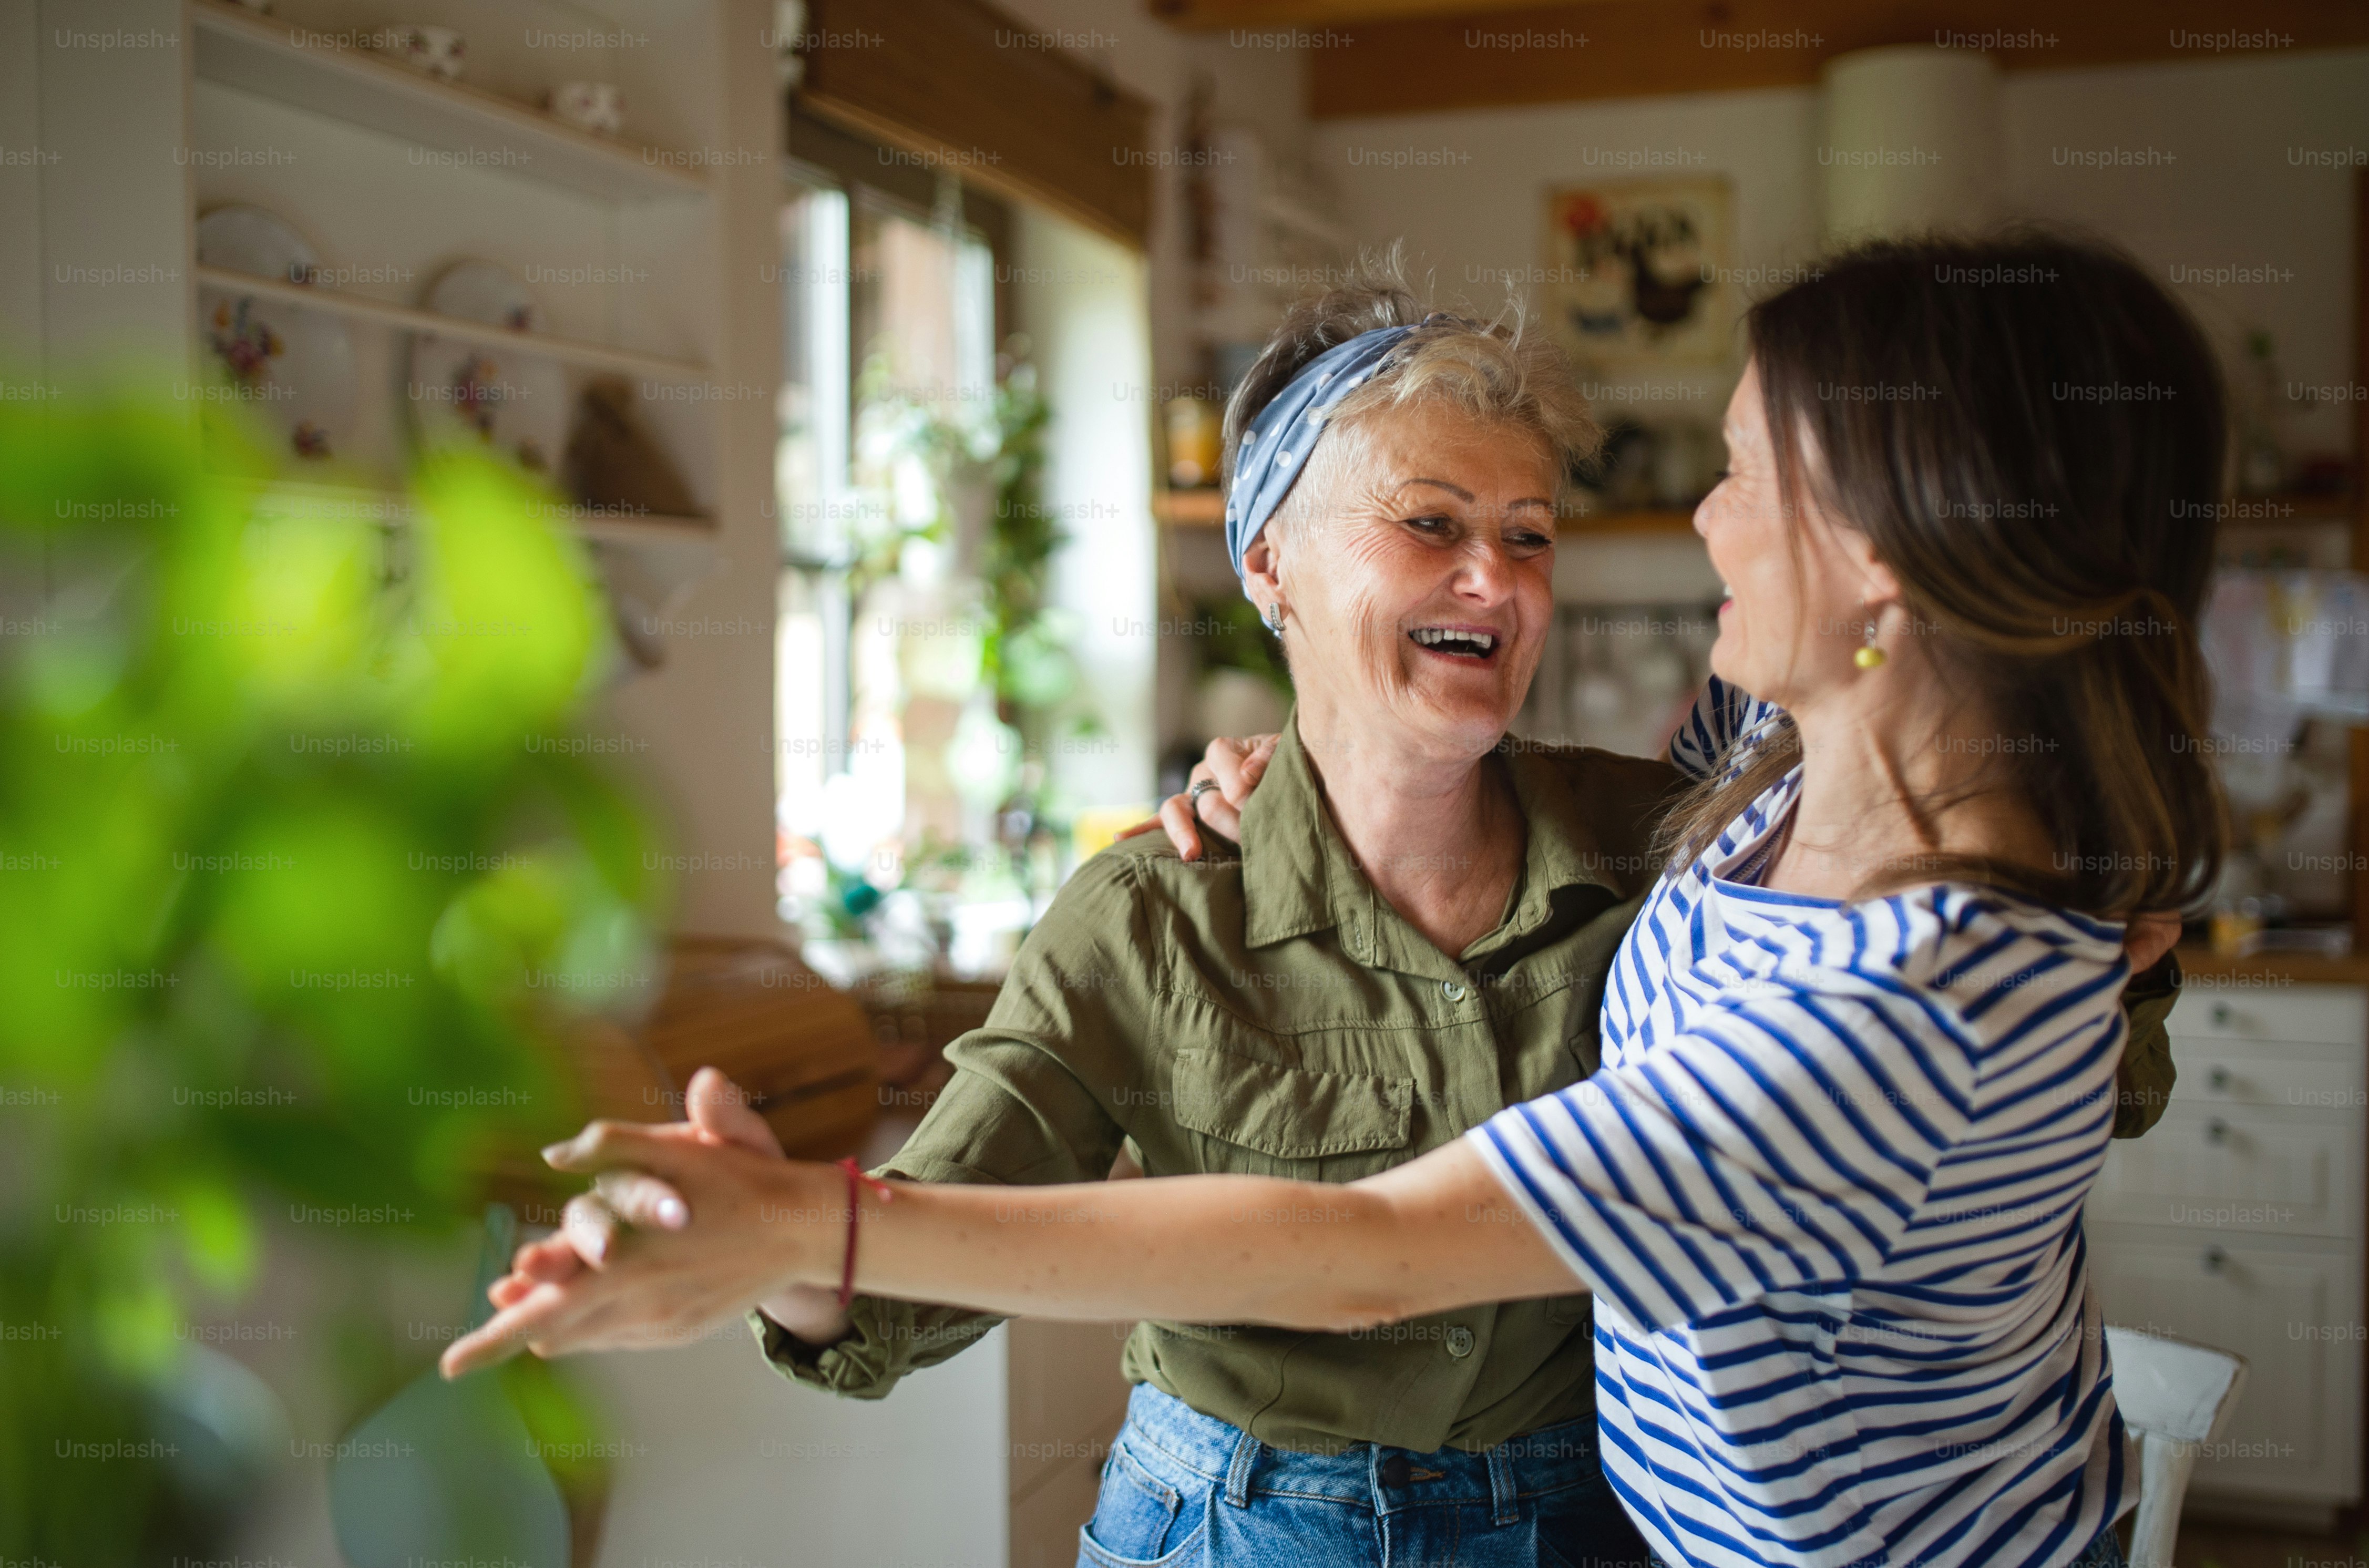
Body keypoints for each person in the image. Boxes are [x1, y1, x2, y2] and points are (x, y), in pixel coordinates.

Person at [449, 232, 2222, 1568]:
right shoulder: (1147, 914)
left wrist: (2106, 918)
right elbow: (918, 1261)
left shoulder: (1679, 837)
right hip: (1244, 1526)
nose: (1496, 576)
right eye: (1429, 523)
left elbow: (2015, 913)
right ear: (1268, 563)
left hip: (1593, 1527)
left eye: (1528, 534)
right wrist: (791, 1240)